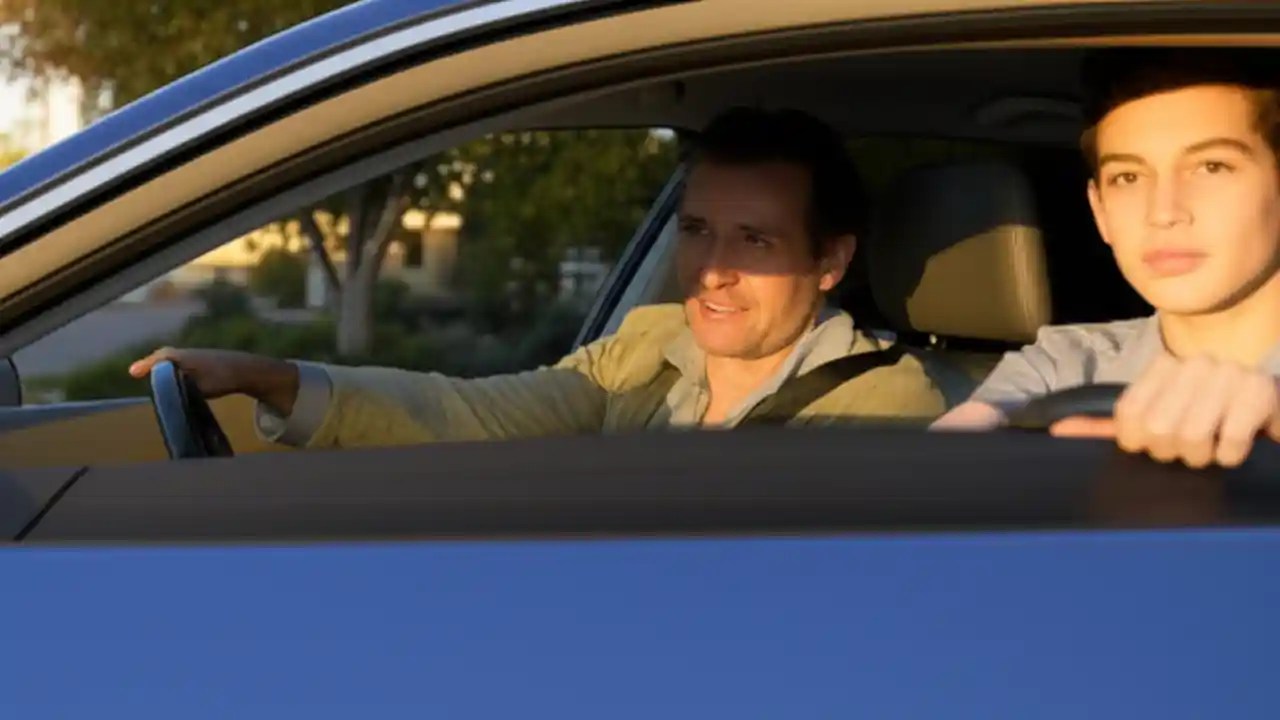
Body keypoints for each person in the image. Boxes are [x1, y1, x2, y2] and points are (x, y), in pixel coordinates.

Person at [130, 107, 944, 448]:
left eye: (755, 241)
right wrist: (272, 378)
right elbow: (473, 415)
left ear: (831, 261)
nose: (712, 269)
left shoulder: (891, 406)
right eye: (696, 230)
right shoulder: (648, 345)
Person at [934, 48, 1280, 469]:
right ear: (1100, 212)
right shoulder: (1063, 364)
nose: (1163, 212)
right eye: (1128, 178)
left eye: (1211, 167)